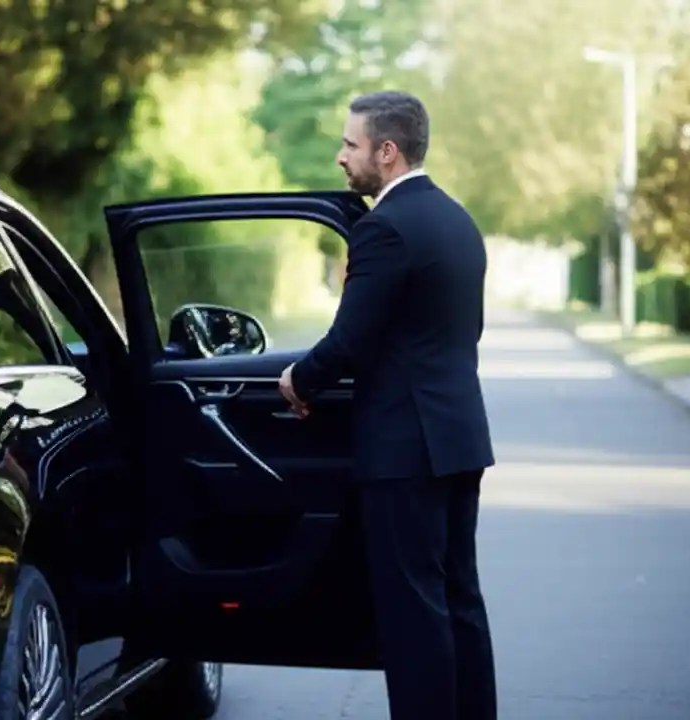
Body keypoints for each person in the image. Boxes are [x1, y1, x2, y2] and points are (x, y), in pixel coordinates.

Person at [279, 90, 497, 719]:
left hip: (405, 449)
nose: (341, 157)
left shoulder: (384, 229)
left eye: (350, 144)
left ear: (387, 151)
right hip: (458, 437)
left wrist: (298, 380)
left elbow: (349, 342)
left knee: (413, 614)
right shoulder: (457, 220)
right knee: (460, 601)